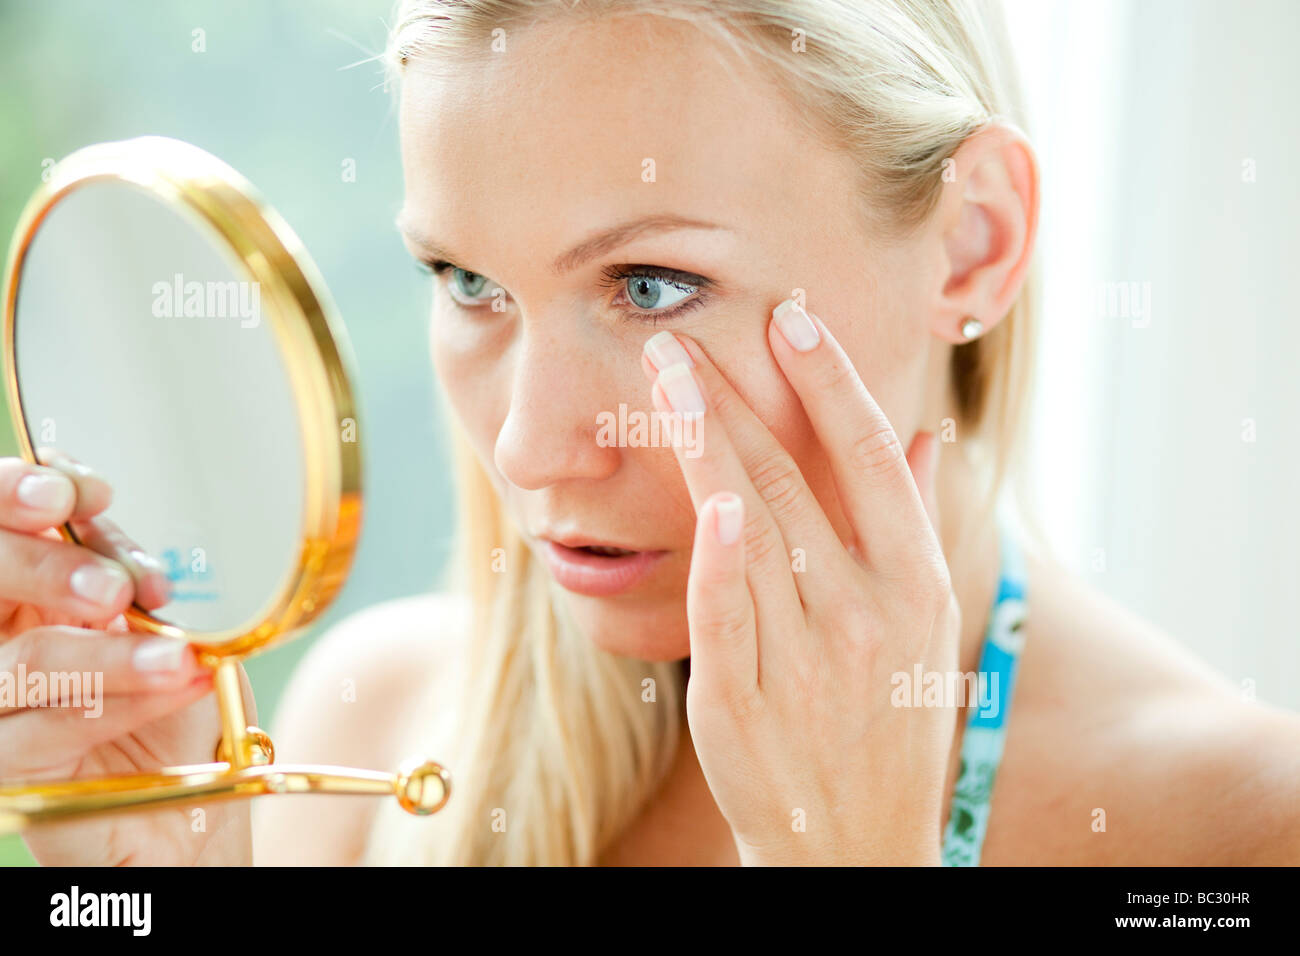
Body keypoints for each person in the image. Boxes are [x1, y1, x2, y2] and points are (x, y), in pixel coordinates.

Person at [6, 0, 1297, 866]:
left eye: (650, 287)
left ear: (974, 245)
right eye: (468, 283)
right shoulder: (382, 727)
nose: (528, 447)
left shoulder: (1233, 832)